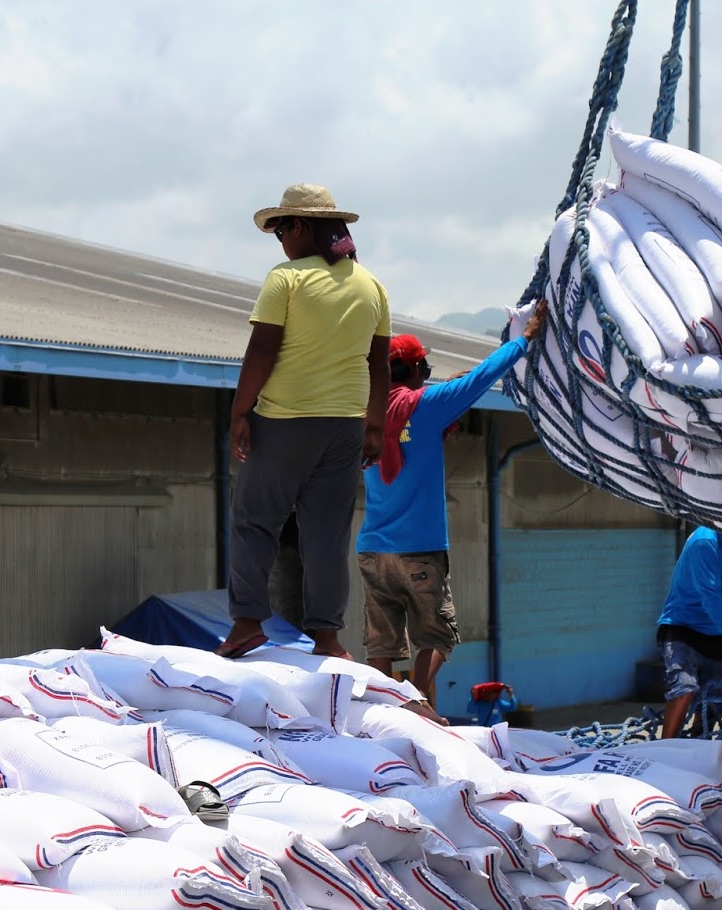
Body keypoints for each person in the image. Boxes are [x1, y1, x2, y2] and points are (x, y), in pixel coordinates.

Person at [218, 183, 391, 661]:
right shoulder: (371, 285)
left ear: (299, 227)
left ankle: (247, 623)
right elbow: (380, 365)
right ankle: (328, 637)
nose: (279, 242)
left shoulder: (286, 279)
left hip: (285, 420)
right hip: (345, 427)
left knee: (255, 521)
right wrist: (374, 427)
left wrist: (240, 411)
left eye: (280, 231)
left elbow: (263, 348)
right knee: (327, 533)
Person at [357, 302, 548, 707]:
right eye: (423, 369)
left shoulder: (367, 412)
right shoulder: (427, 406)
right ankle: (418, 700)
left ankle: (382, 712)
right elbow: (482, 377)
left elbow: (418, 411)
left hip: (373, 550)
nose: (425, 376)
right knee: (439, 634)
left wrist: (443, 388)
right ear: (412, 372)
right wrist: (525, 339)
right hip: (420, 549)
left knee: (382, 642)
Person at [654, 525, 722, 739]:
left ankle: (698, 745)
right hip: (681, 628)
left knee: (713, 698)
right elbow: (710, 596)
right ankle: (664, 749)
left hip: (712, 634)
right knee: (684, 688)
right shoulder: (704, 541)